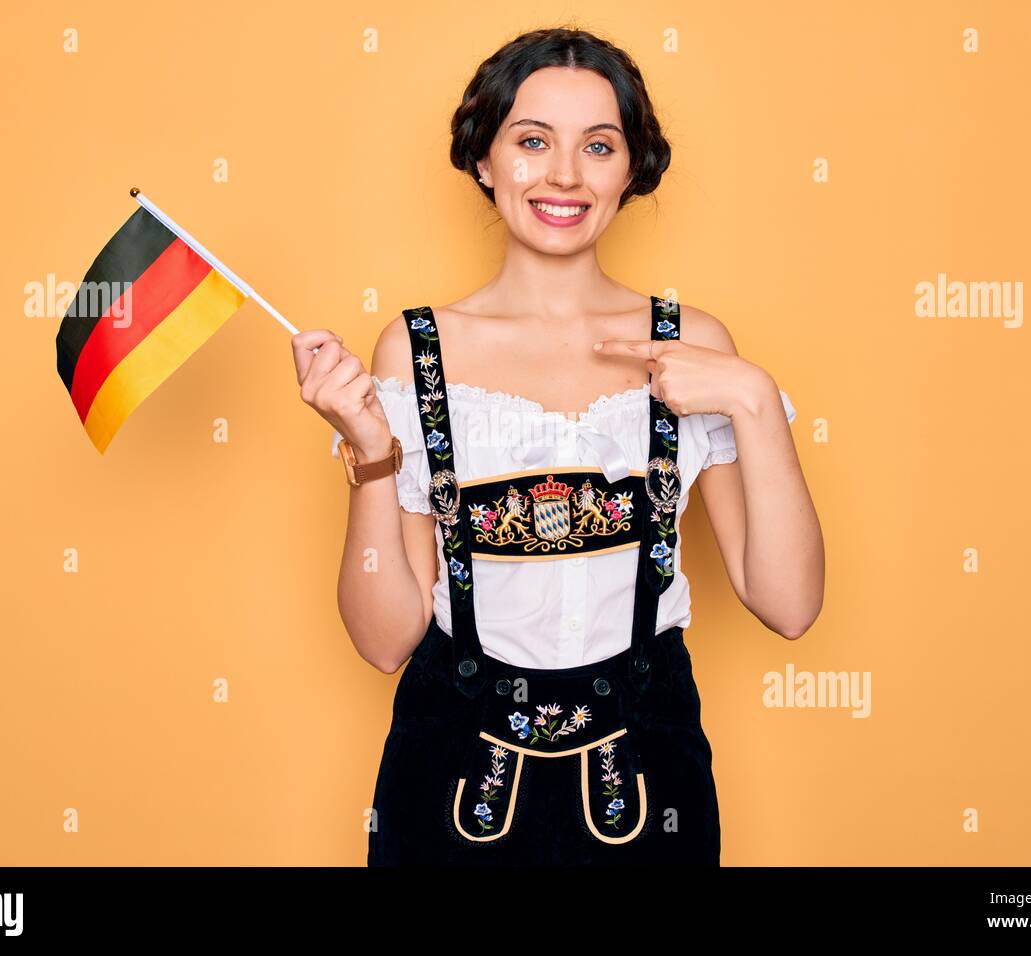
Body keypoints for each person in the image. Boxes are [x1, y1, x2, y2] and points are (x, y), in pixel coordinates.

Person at [291, 26, 824, 866]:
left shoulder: (692, 344)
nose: (564, 175)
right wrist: (371, 454)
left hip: (650, 786)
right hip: (450, 781)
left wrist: (754, 398)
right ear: (484, 159)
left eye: (599, 146)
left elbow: (789, 605)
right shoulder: (414, 350)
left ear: (631, 170)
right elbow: (385, 639)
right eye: (532, 140)